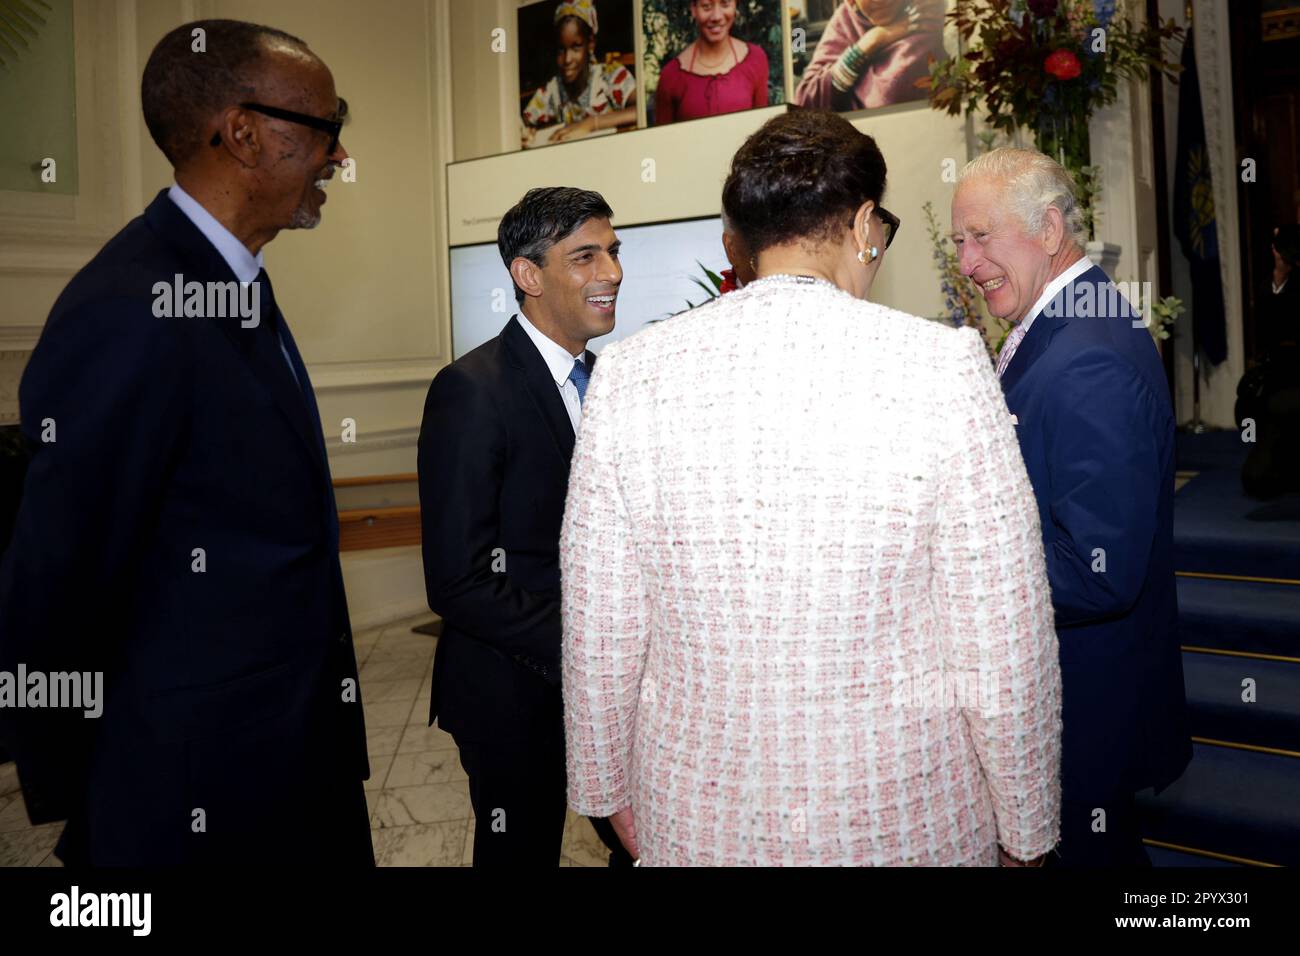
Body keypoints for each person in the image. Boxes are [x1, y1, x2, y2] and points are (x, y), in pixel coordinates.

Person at [561, 109, 1062, 867]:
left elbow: (600, 622)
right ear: (863, 224)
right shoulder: (942, 367)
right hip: (903, 816)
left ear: (744, 235)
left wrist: (606, 789)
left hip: (698, 816)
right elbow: (1001, 635)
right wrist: (1026, 824)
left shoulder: (629, 374)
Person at [0, 19, 371, 865]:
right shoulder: (130, 306)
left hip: (285, 762)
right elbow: (59, 577)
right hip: (193, 791)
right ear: (242, 134)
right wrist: (97, 795)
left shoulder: (230, 280)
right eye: (327, 127)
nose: (339, 155)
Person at [952, 147, 1192, 867]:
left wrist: (957, 574)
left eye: (981, 237)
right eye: (959, 242)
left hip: (1086, 702)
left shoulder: (1087, 356)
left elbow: (1099, 570)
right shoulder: (1065, 322)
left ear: (1050, 229)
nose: (967, 262)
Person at [418, 186, 632, 867]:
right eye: (585, 257)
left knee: (640, 841)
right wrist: (592, 642)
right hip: (512, 691)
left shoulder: (613, 381)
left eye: (614, 252)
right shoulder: (471, 389)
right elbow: (459, 582)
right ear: (528, 274)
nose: (612, 272)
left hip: (610, 688)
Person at [793, 0, 944, 112]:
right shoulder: (847, 18)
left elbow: (891, 97)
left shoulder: (925, 14)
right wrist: (869, 43)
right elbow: (804, 101)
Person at [522, 0, 636, 147]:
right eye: (561, 49)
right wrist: (527, 134)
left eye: (576, 47)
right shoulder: (552, 91)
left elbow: (641, 110)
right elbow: (522, 124)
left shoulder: (609, 76)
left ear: (590, 43)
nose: (567, 59)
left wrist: (590, 124)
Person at [1239, 224, 1300, 498]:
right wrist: (1280, 273)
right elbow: (1268, 325)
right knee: (1256, 480)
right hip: (1281, 380)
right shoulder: (1271, 285)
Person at [653, 0, 769, 125]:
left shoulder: (755, 60)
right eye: (706, 6)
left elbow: (762, 128)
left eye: (725, 4)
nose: (716, 17)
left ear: (735, 5)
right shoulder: (671, 76)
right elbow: (663, 136)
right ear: (694, 9)